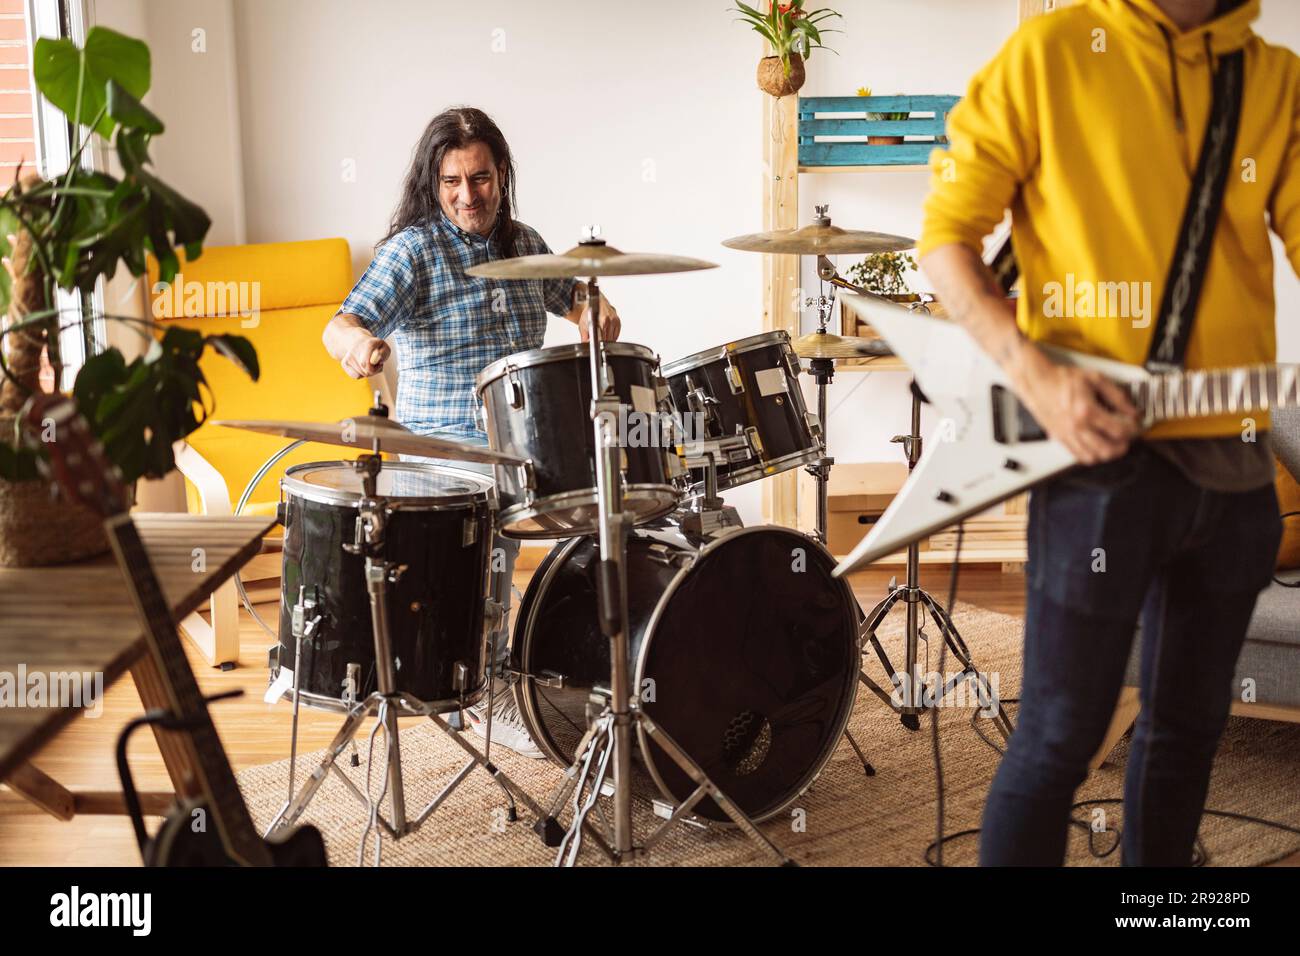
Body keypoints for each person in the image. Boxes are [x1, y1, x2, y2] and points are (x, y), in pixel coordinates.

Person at [918, 0, 1298, 863]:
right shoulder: (1052, 50)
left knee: (1189, 734)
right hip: (1097, 466)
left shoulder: (1273, 76)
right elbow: (946, 237)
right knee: (1059, 736)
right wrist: (1036, 372)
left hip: (1238, 472)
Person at [323, 106, 621, 758]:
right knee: (490, 523)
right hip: (443, 453)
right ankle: (482, 687)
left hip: (525, 446)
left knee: (620, 498)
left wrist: (595, 310)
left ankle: (575, 667)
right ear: (433, 184)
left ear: (502, 173)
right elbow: (340, 324)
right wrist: (358, 346)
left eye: (481, 179)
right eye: (453, 182)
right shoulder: (412, 252)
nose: (468, 196)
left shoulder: (527, 243)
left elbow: (576, 298)